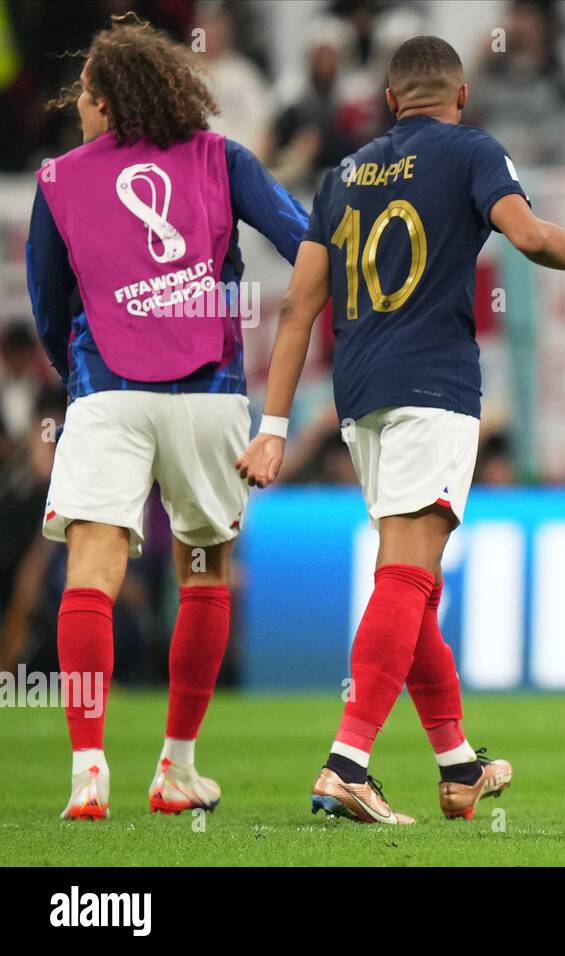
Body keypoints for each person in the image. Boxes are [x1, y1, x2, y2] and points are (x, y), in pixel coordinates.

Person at [237, 35, 565, 825]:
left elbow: (298, 305)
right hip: (435, 389)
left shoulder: (344, 173)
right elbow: (529, 234)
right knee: (407, 579)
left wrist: (273, 424)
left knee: (416, 586)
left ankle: (457, 769)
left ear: (388, 101)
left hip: (362, 396)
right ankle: (347, 763)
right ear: (462, 96)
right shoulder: (473, 151)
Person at [26, 14, 309, 820]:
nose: (78, 106)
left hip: (108, 393)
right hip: (210, 395)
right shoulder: (225, 160)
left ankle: (89, 770)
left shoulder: (58, 179)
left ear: (110, 103)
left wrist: (87, 375)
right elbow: (304, 242)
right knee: (203, 571)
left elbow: (50, 307)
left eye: (84, 94)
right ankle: (177, 767)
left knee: (91, 574)